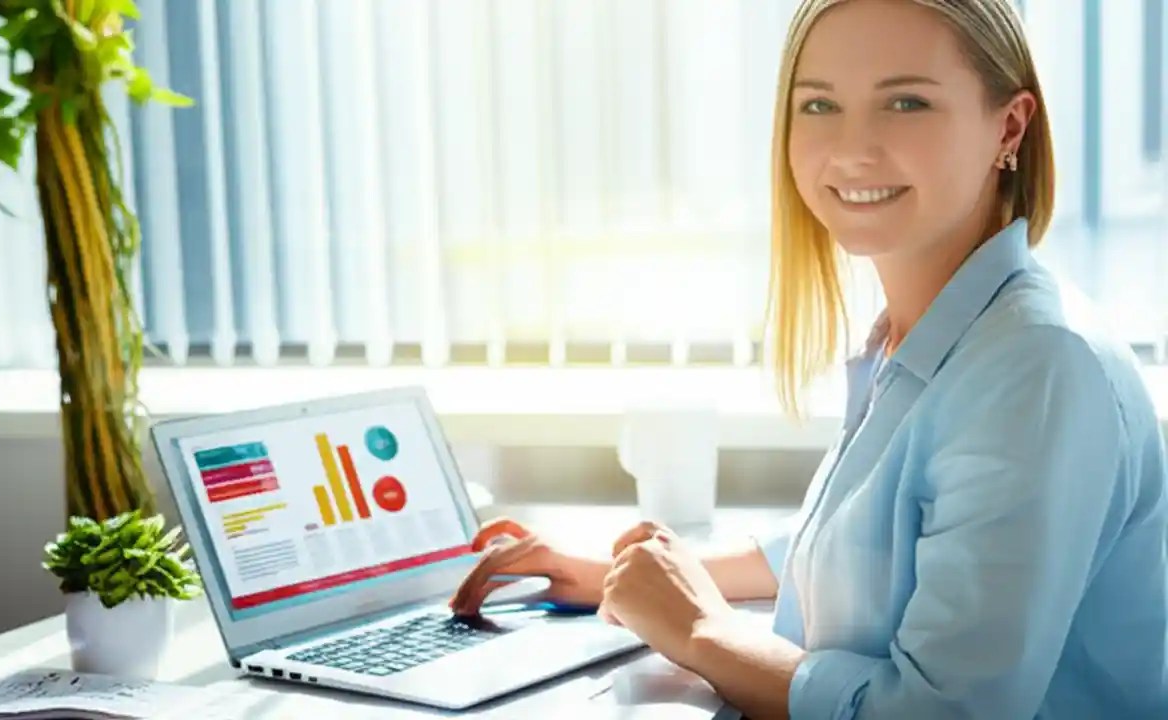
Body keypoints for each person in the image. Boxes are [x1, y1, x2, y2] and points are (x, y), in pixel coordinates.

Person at [449, 1, 1168, 717]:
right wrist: (621, 576)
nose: (853, 149)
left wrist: (701, 628)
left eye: (907, 102)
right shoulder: (930, 335)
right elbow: (873, 548)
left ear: (1007, 126)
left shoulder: (1036, 368)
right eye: (820, 104)